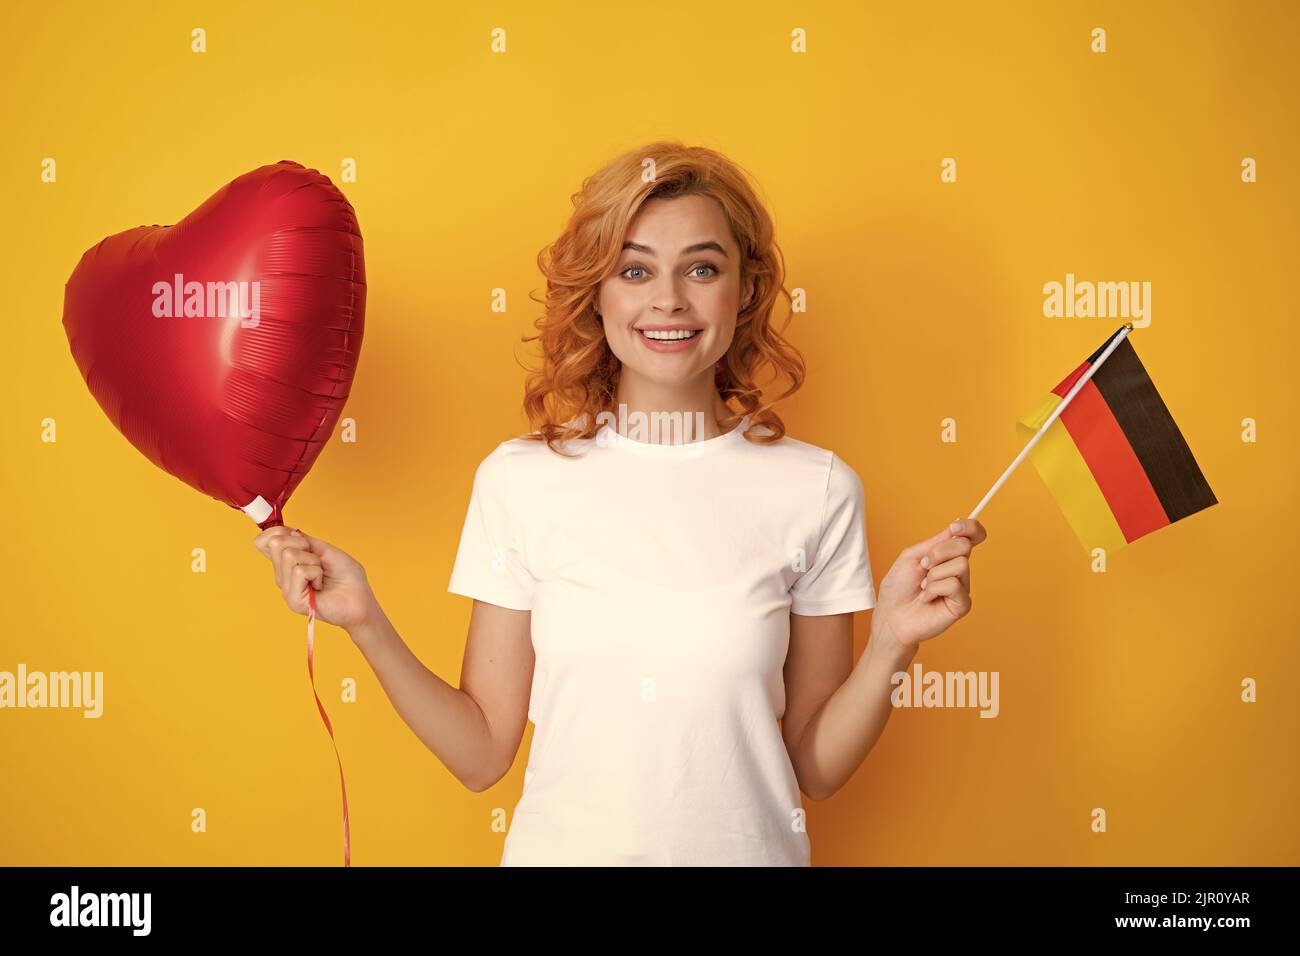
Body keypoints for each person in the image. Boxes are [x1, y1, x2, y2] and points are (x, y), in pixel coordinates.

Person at [254, 141, 987, 866]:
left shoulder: (818, 490)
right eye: (635, 270)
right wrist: (366, 621)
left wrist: (893, 642)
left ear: (745, 289)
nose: (669, 299)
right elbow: (481, 753)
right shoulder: (521, 481)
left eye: (702, 268)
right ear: (597, 295)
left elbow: (816, 770)